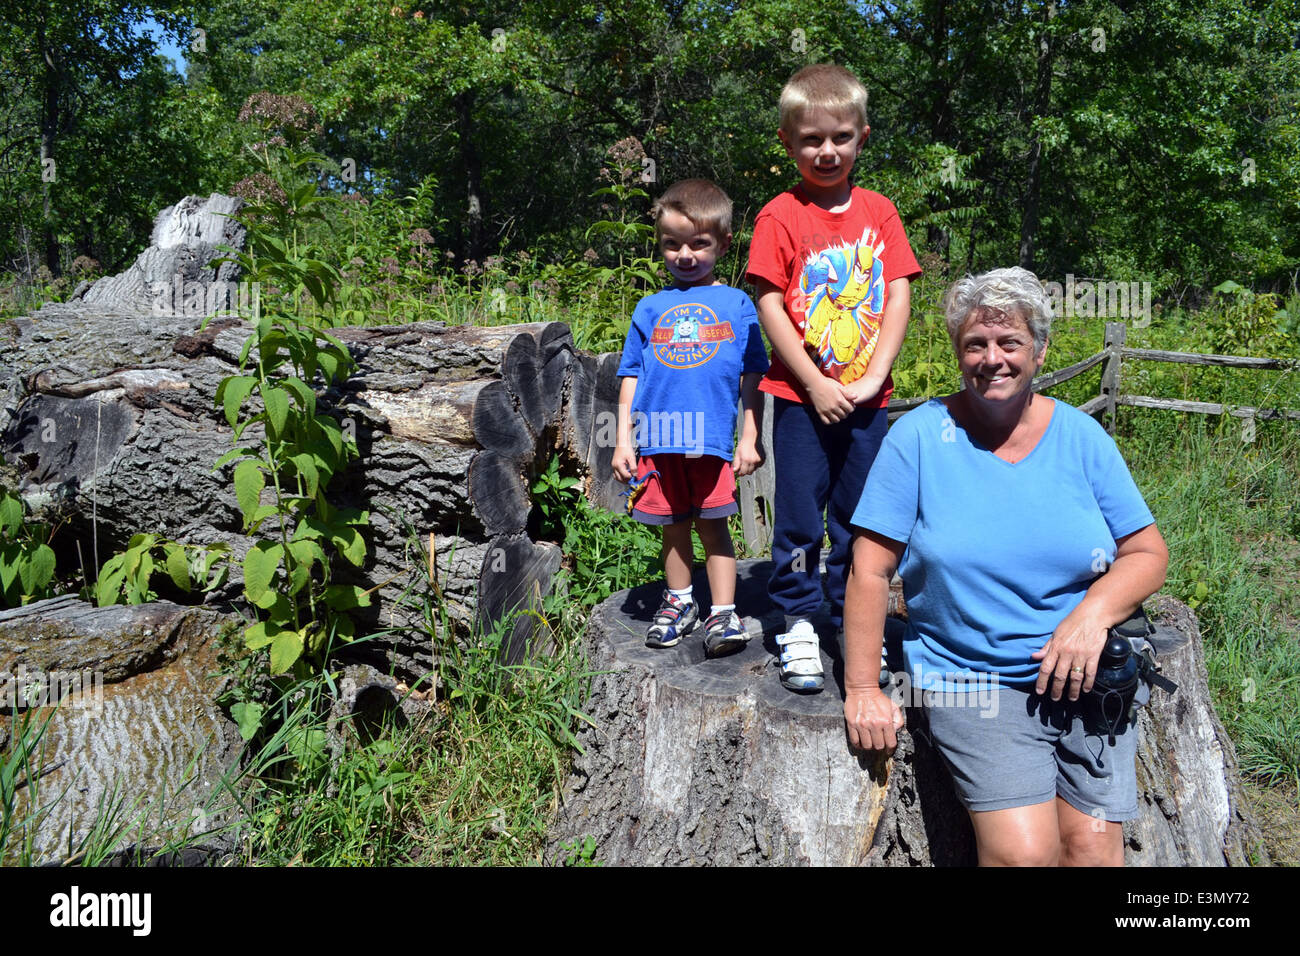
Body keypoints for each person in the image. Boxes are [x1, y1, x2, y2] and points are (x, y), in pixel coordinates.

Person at [842, 266, 1169, 866]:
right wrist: (862, 688)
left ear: (1039, 350)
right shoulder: (917, 439)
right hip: (975, 682)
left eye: (1009, 342)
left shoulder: (1081, 438)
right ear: (957, 352)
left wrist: (1092, 616)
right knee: (1025, 856)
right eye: (975, 344)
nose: (992, 358)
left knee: (1094, 853)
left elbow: (1148, 553)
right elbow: (868, 570)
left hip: (1085, 679)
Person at [745, 63, 921, 692]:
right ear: (789, 144)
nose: (827, 151)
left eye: (840, 137)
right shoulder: (780, 216)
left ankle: (856, 620)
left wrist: (875, 376)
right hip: (802, 401)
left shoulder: (879, 212)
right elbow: (769, 303)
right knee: (798, 516)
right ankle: (798, 618)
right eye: (811, 139)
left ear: (862, 138)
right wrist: (814, 384)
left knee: (859, 517)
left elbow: (897, 293)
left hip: (868, 401)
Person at [613, 179, 768, 656]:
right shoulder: (650, 307)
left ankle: (723, 612)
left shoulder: (737, 305)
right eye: (672, 244)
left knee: (714, 525)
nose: (685, 254)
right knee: (673, 527)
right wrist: (623, 441)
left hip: (712, 443)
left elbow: (753, 376)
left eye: (698, 243)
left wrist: (750, 438)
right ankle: (680, 601)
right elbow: (630, 379)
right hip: (658, 441)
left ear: (722, 243)